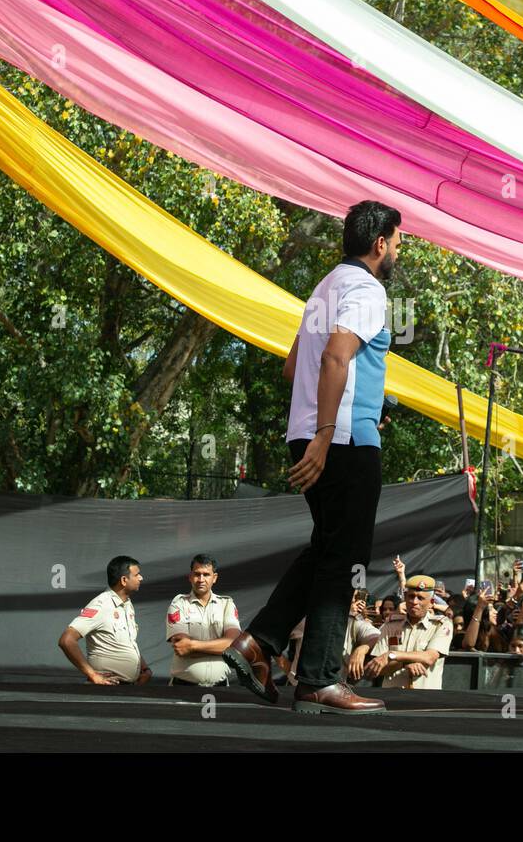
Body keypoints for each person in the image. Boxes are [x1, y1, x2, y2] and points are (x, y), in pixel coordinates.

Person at [223, 200, 402, 715]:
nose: (397, 251)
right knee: (345, 559)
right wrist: (329, 434)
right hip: (342, 440)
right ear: (380, 243)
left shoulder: (323, 288)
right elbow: (335, 357)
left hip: (310, 432)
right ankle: (319, 680)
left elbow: (293, 368)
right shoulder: (368, 289)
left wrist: (322, 428)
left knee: (327, 547)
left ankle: (258, 642)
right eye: (397, 242)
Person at [58, 556, 151, 685]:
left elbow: (128, 644)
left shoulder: (127, 605)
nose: (141, 578)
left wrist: (144, 669)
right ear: (124, 580)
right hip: (106, 689)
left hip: (128, 688)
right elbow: (66, 640)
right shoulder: (100, 605)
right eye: (137, 575)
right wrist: (92, 675)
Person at [365, 575, 454, 690]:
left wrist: (392, 655)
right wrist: (404, 663)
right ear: (405, 597)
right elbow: (379, 668)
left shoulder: (441, 625)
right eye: (411, 596)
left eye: (420, 598)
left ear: (431, 602)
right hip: (392, 697)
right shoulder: (391, 625)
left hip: (426, 699)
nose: (414, 602)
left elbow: (429, 657)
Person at [166, 554, 240, 686]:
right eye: (197, 574)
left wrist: (192, 646)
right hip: (184, 686)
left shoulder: (227, 604)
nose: (201, 579)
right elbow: (182, 648)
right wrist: (220, 648)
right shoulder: (179, 604)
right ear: (190, 577)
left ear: (214, 578)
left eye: (206, 574)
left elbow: (233, 644)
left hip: (221, 687)